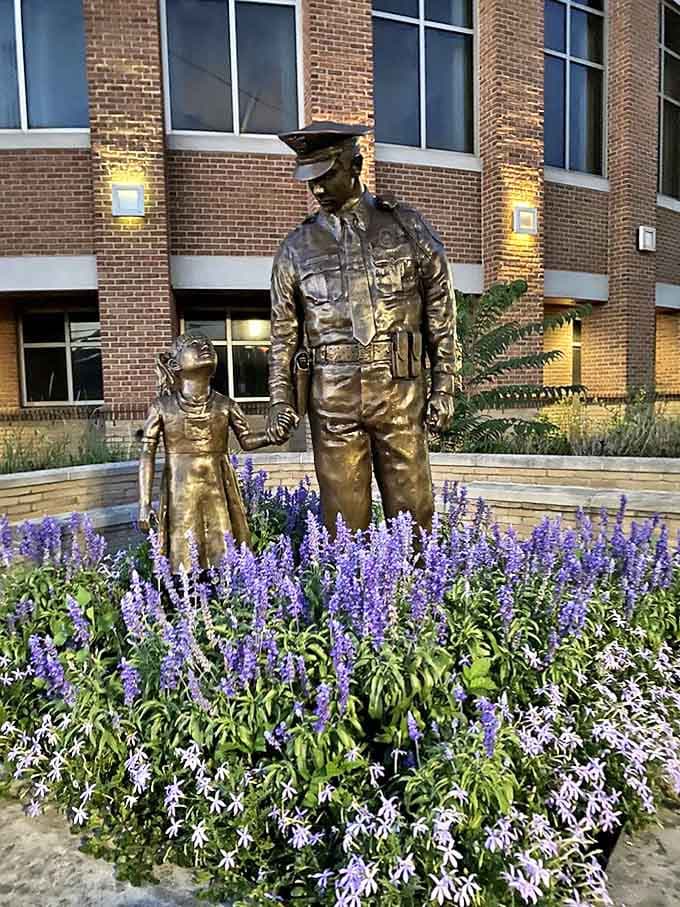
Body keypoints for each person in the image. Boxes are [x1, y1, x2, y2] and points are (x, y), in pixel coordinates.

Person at [267, 121, 456, 534]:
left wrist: (444, 387)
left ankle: (415, 595)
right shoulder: (295, 249)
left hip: (399, 391)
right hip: (332, 397)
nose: (316, 189)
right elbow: (283, 336)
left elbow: (440, 315)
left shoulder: (407, 229)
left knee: (415, 520)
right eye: (309, 179)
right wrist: (281, 400)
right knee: (343, 528)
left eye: (325, 176)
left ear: (355, 164)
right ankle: (349, 595)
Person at [138, 331, 294, 571]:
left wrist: (272, 436)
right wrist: (144, 504)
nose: (204, 347)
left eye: (207, 343)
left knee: (225, 545)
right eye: (193, 344)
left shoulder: (225, 405)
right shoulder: (162, 407)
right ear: (174, 363)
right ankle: (186, 596)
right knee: (183, 548)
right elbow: (147, 454)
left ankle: (226, 591)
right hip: (180, 488)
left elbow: (247, 440)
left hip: (218, 486)